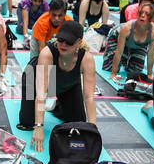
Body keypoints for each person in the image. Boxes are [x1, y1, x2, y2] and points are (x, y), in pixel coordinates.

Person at [17, 19, 97, 149]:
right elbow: (41, 94)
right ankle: (57, 105)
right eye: (60, 40)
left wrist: (94, 130)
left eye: (69, 42)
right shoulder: (47, 54)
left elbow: (89, 98)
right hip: (34, 80)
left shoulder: (86, 59)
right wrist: (39, 126)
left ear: (79, 43)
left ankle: (59, 105)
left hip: (67, 85)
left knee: (79, 124)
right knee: (27, 122)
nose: (63, 45)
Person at [106, 0, 154, 81]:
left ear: (151, 18)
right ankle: (124, 59)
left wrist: (149, 74)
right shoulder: (127, 28)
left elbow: (151, 54)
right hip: (117, 38)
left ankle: (127, 57)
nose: (143, 15)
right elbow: (119, 51)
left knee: (135, 72)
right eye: (141, 13)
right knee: (109, 67)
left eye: (147, 14)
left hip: (139, 45)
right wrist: (113, 73)